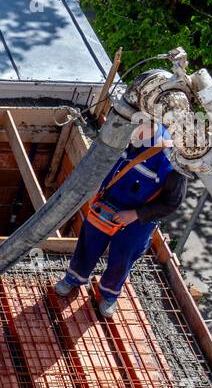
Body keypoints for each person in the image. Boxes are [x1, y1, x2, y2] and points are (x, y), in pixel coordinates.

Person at [55, 120, 187, 317]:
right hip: (109, 203)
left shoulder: (171, 162)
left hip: (138, 220)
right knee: (89, 244)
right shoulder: (126, 133)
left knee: (122, 257)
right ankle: (74, 278)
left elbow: (172, 202)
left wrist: (135, 214)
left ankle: (109, 294)